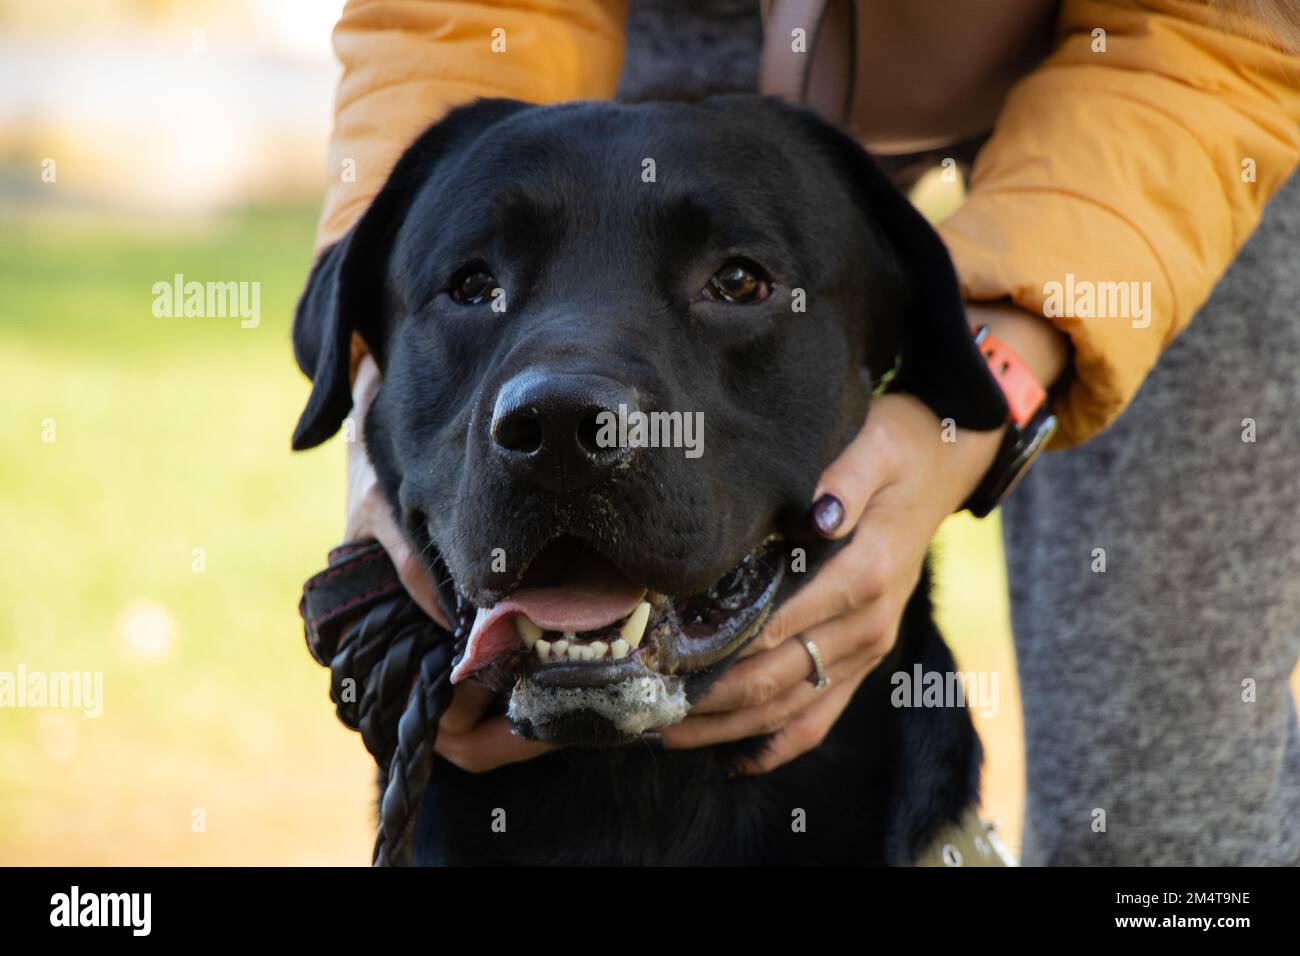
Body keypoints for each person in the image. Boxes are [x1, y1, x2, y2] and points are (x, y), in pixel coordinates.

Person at [317, 0, 1300, 864]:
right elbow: (452, 19)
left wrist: (972, 398)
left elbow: (1212, 37)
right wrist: (386, 448)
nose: (562, 401)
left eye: (739, 285)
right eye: (471, 286)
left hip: (1172, 88)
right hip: (653, 25)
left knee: (1163, 822)